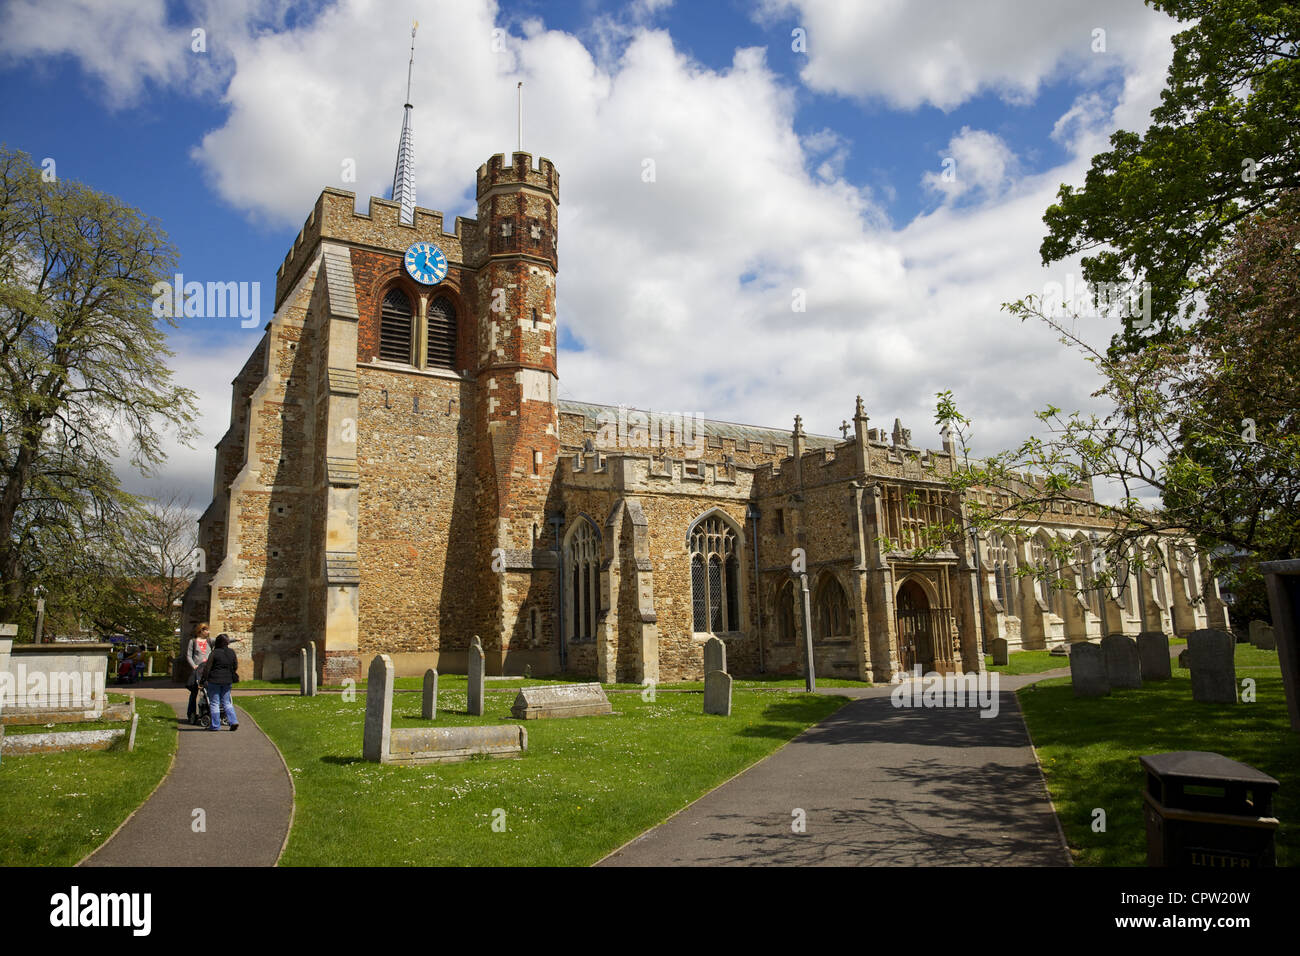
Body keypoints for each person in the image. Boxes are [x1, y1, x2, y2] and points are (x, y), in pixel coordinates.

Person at [199, 633, 240, 732]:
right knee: (227, 702)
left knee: (214, 703)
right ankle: (233, 721)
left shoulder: (214, 653)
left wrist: (202, 681)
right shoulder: (231, 652)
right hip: (227, 680)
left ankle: (215, 725)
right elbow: (235, 666)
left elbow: (207, 668)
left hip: (214, 680)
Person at [185, 623, 212, 725]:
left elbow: (221, 640)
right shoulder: (193, 641)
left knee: (207, 691)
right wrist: (194, 666)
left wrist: (236, 639)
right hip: (197, 670)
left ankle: (206, 711)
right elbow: (188, 655)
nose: (208, 632)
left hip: (207, 670)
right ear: (201, 631)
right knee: (194, 692)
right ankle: (191, 713)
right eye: (206, 630)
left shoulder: (209, 641)